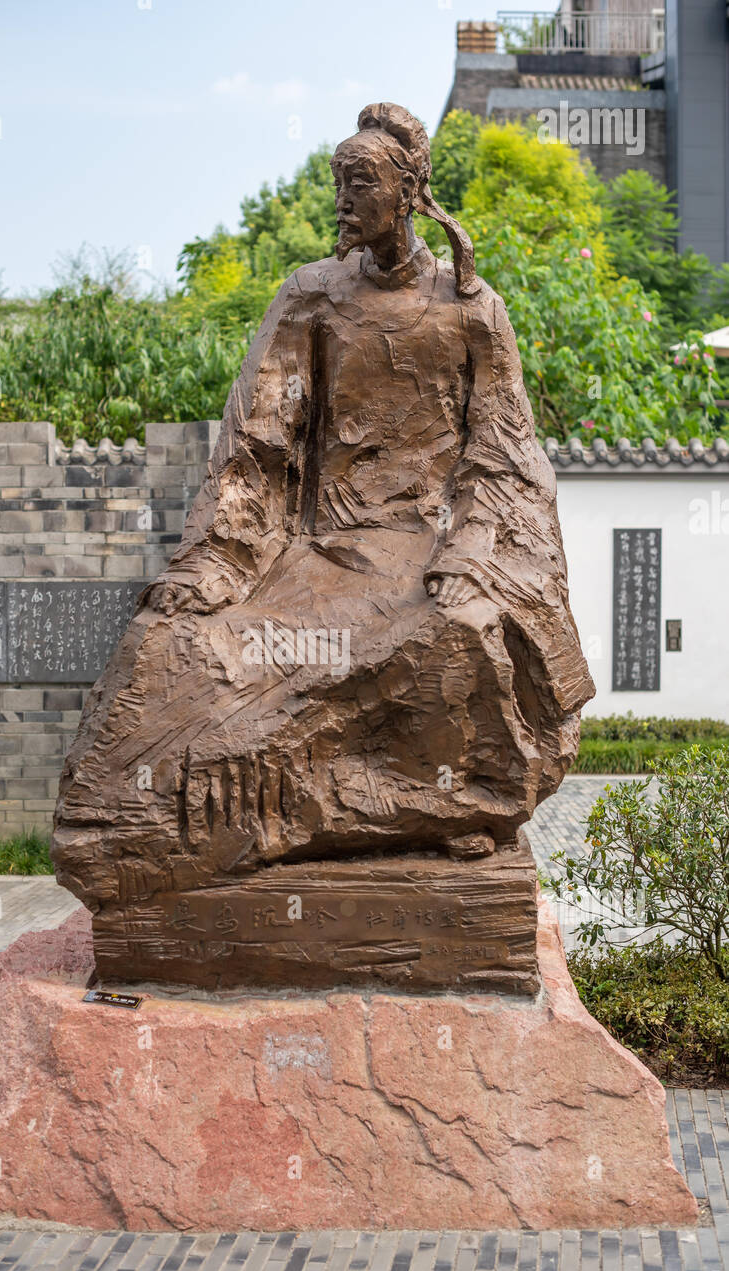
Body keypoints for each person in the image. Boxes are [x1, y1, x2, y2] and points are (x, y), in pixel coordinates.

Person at [52, 102, 594, 914]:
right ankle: (141, 828)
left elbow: (503, 449)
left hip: (427, 544)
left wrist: (473, 551)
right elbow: (257, 444)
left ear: (409, 190)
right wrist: (214, 560)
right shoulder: (310, 296)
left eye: (361, 182)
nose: (342, 199)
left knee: (462, 631)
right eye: (337, 182)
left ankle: (446, 805)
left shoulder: (471, 308)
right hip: (318, 550)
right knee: (176, 642)